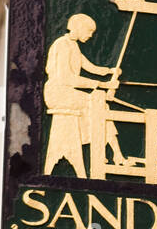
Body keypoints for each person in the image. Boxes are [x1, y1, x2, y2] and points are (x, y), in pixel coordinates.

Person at [42, 13, 129, 176]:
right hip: (57, 94)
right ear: (79, 27)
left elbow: (90, 67)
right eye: (89, 31)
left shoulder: (73, 46)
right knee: (100, 104)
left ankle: (115, 154)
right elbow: (66, 78)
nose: (90, 35)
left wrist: (110, 71)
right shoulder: (62, 45)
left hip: (67, 92)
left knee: (100, 104)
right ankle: (112, 153)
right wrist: (102, 85)